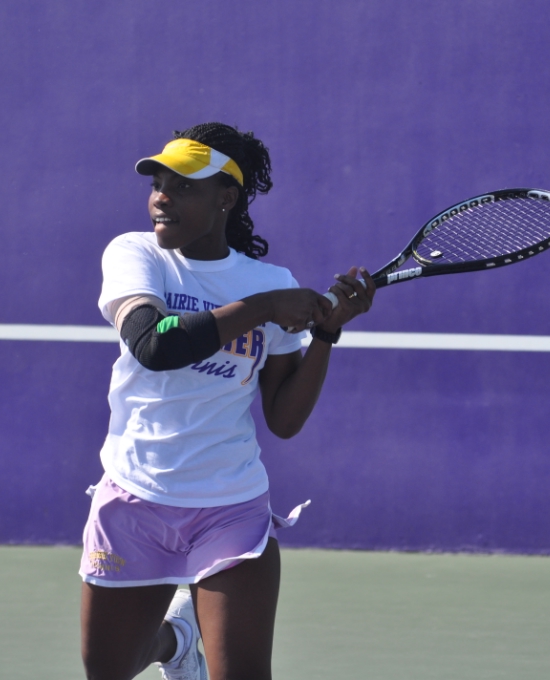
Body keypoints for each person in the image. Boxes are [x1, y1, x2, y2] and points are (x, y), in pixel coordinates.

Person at [80, 122, 374, 680]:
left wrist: (327, 337)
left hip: (230, 505)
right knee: (109, 670)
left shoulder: (268, 279)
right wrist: (263, 307)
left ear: (226, 198)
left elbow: (284, 420)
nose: (161, 196)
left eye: (182, 185)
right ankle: (176, 642)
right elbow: (153, 343)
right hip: (134, 498)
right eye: (157, 183)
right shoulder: (136, 254)